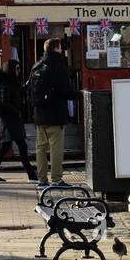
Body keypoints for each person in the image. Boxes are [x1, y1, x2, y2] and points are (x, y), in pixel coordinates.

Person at [29, 37, 76, 187]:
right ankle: (56, 178)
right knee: (56, 148)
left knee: (41, 148)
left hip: (39, 114)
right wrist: (79, 94)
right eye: (60, 47)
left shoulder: (36, 66)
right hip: (56, 113)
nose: (61, 49)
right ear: (56, 48)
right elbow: (65, 91)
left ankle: (41, 180)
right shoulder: (58, 65)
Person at [0, 59, 37, 184]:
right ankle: (31, 175)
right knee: (16, 146)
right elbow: (5, 102)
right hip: (10, 120)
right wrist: (16, 112)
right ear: (12, 69)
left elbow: (17, 92)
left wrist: (26, 86)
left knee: (10, 146)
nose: (19, 71)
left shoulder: (10, 81)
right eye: (17, 69)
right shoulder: (7, 83)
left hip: (9, 119)